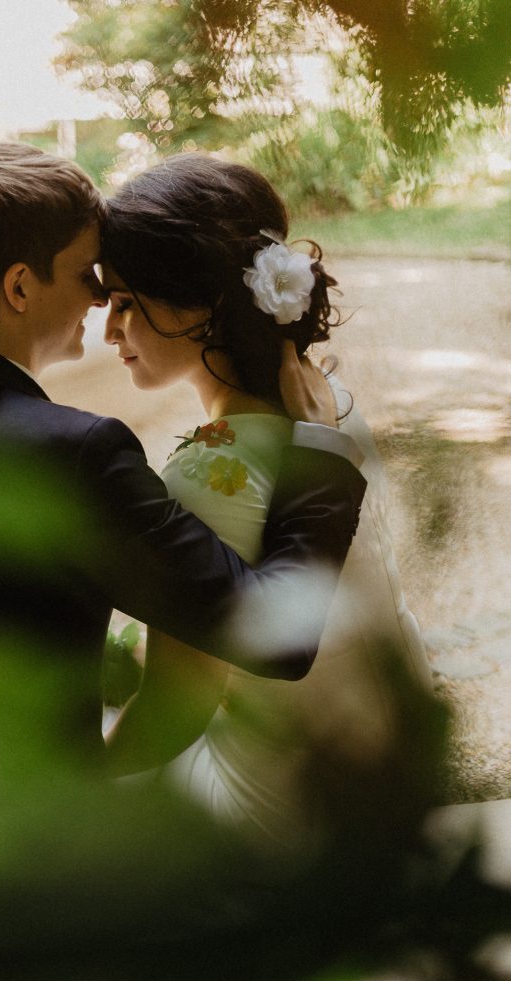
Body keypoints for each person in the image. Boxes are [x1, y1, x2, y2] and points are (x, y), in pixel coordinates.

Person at [0, 143, 366, 906]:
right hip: (13, 858)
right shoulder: (80, 451)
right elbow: (279, 636)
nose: (102, 301)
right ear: (21, 287)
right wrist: (322, 453)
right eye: (89, 276)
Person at [100, 153, 431, 849]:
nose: (109, 331)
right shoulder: (324, 408)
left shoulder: (207, 468)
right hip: (388, 767)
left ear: (207, 308)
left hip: (285, 822)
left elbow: (175, 710)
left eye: (127, 302)